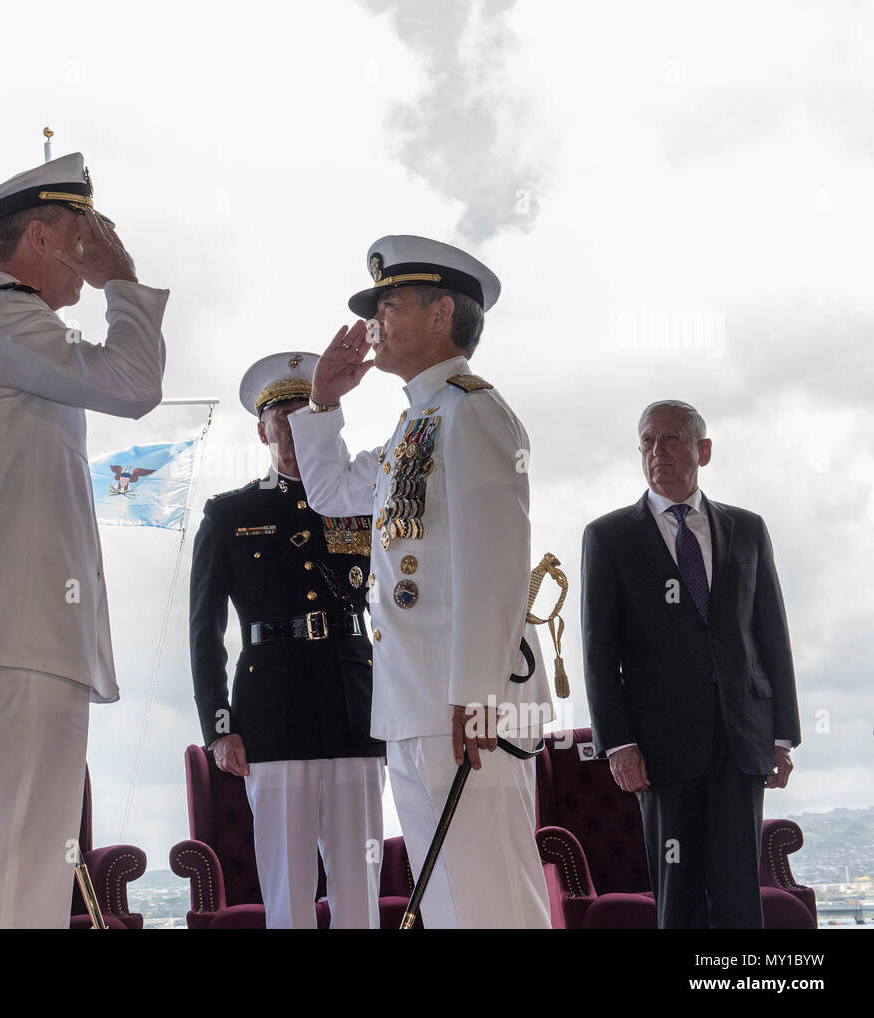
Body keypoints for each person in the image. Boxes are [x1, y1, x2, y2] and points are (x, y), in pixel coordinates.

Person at [0, 152, 168, 928]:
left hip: (22, 632)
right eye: (82, 231)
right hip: (14, 632)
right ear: (39, 237)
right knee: (10, 859)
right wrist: (123, 279)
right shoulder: (3, 316)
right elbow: (134, 385)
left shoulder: (4, 327)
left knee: (23, 863)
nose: (93, 247)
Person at [288, 235, 553, 928]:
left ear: (441, 314)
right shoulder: (416, 424)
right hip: (416, 702)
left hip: (466, 708)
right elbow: (330, 491)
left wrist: (477, 697)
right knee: (448, 900)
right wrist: (322, 404)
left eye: (390, 304)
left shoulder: (475, 411)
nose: (374, 321)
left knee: (489, 890)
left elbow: (496, 562)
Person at [581, 400, 800, 928]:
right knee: (678, 898)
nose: (658, 451)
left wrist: (782, 736)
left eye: (672, 438)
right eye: (648, 441)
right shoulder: (608, 537)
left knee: (739, 895)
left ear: (703, 450)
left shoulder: (748, 529)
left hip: (742, 739)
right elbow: (598, 650)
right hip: (660, 747)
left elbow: (771, 635)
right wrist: (619, 742)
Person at [189, 351, 385, 928]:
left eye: (308, 413)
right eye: (283, 415)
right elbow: (205, 629)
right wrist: (218, 726)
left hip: (356, 710)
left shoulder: (362, 503)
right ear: (261, 428)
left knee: (360, 890)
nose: (296, 426)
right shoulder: (231, 513)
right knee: (288, 890)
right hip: (270, 719)